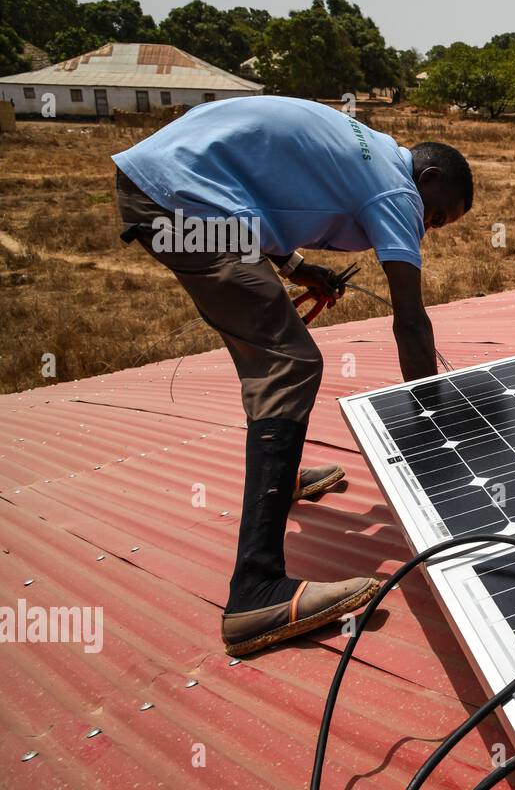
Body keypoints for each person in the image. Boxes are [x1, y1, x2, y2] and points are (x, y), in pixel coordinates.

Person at [113, 96, 472, 655]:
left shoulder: (370, 152)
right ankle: (255, 591)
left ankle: (281, 478)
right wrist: (430, 425)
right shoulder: (398, 189)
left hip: (169, 192)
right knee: (290, 362)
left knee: (265, 346)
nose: (427, 228)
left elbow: (262, 190)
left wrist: (300, 267)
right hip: (179, 205)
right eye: (437, 216)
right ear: (427, 179)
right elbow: (410, 320)